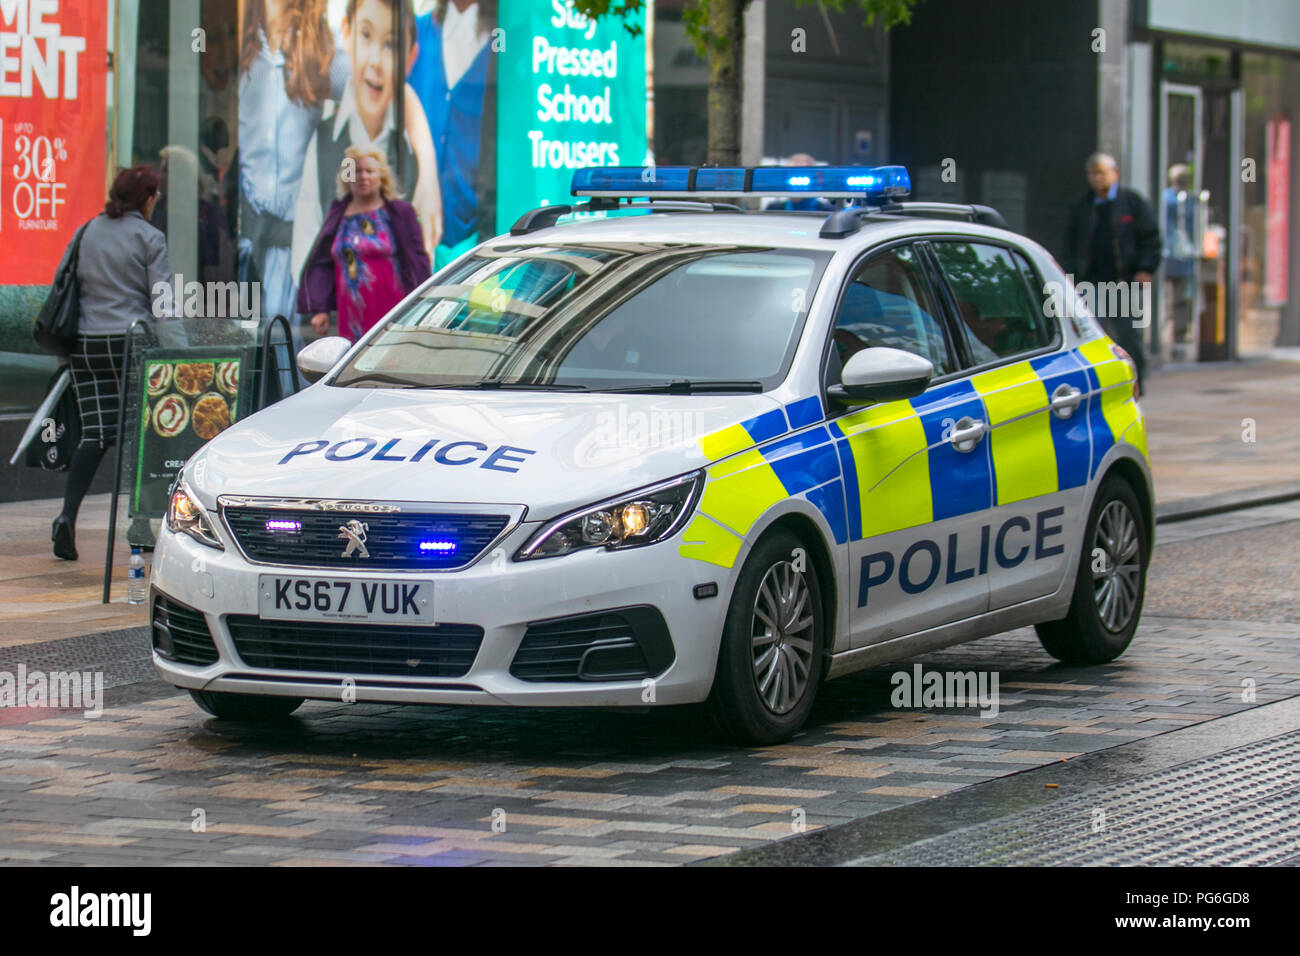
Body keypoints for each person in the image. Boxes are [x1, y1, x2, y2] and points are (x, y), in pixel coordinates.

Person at [52, 166, 172, 561]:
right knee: (144, 436)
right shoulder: (149, 237)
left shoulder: (86, 231)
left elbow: (63, 282)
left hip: (86, 345)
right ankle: (139, 525)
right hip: (131, 345)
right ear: (148, 198)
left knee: (95, 432)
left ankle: (67, 516)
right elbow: (163, 303)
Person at [290, 0, 443, 291]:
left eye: (390, 45)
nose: (375, 59)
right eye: (366, 35)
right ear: (346, 33)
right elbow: (306, 241)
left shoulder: (412, 151)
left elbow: (419, 257)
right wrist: (324, 303)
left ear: (410, 58)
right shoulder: (325, 140)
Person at [297, 145, 432, 342]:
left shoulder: (400, 213)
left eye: (369, 171)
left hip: (393, 313)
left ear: (382, 176)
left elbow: (418, 261)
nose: (363, 177)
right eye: (356, 171)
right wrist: (320, 309)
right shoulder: (338, 215)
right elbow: (322, 264)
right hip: (351, 317)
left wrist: (424, 306)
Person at [1062, 152, 1161, 388]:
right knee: (1090, 335)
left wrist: (1145, 268)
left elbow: (1150, 239)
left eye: (1102, 173)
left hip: (1123, 282)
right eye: (1093, 174)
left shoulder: (1132, 203)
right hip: (1090, 283)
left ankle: (1136, 382)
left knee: (1128, 335)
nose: (1098, 178)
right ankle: (1098, 384)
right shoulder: (1081, 206)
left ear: (1115, 174)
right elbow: (1069, 244)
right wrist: (1070, 276)